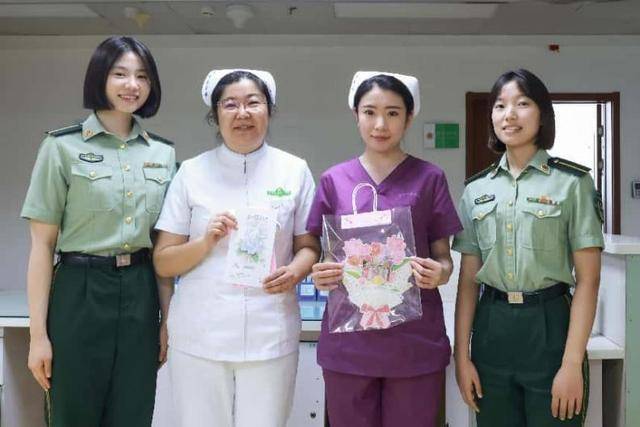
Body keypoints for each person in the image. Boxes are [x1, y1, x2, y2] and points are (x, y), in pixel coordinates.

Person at [22, 36, 175, 427]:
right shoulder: (61, 147)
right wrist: (38, 336)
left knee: (133, 410)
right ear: (100, 78)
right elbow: (41, 246)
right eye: (120, 74)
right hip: (79, 289)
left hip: (141, 288)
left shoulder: (162, 153)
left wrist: (167, 320)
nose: (132, 85)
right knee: (73, 411)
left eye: (142, 76)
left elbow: (164, 248)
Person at [153, 68, 320, 427]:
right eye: (230, 104)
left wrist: (295, 271)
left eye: (253, 103)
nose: (242, 113)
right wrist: (205, 241)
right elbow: (164, 262)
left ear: (269, 111)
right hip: (200, 333)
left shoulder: (294, 170)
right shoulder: (191, 173)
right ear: (215, 115)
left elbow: (309, 245)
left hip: (270, 331)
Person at [307, 71, 462, 427]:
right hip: (349, 345)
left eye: (393, 113)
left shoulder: (430, 178)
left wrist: (439, 272)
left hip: (414, 344)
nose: (380, 124)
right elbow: (322, 251)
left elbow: (444, 258)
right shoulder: (333, 180)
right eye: (370, 112)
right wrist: (322, 272)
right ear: (356, 115)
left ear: (409, 118)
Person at [452, 68, 604, 426]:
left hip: (550, 325)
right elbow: (468, 281)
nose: (509, 115)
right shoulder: (476, 189)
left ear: (542, 114)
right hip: (491, 327)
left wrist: (571, 363)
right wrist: (462, 357)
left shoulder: (573, 183)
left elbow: (588, 280)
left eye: (522, 103)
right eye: (500, 106)